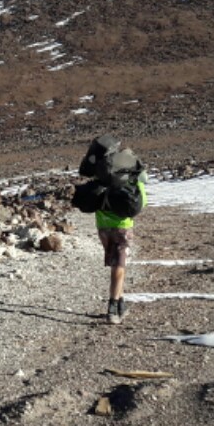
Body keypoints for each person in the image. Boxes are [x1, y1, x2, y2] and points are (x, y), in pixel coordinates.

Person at [81, 136, 148, 325]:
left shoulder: (101, 175)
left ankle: (121, 303)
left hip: (102, 226)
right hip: (122, 227)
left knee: (116, 265)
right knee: (119, 267)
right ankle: (112, 308)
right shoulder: (129, 177)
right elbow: (142, 193)